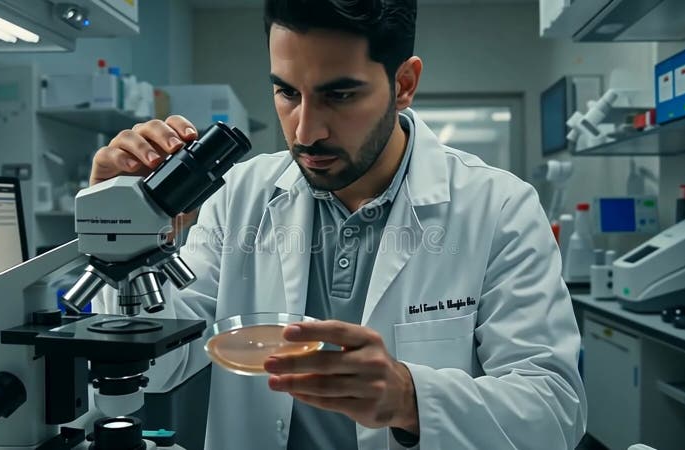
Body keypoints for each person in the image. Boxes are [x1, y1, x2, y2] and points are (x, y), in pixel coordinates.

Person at [91, 0, 587, 448]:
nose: (306, 131)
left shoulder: (498, 207)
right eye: (287, 92)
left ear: (404, 85)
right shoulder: (239, 195)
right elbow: (158, 365)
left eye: (340, 95)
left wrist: (409, 398)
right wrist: (119, 232)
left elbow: (555, 413)